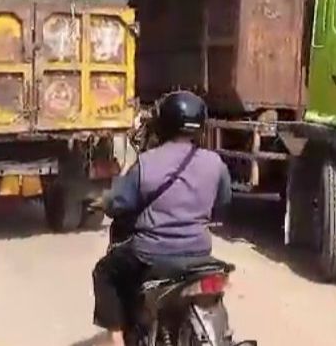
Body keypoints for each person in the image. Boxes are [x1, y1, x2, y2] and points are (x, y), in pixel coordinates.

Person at [91, 91, 232, 346]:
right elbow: (222, 202)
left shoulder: (147, 163)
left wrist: (104, 202)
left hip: (151, 255)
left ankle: (116, 340)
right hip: (200, 253)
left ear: (163, 123)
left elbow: (120, 203)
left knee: (105, 272)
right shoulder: (215, 163)